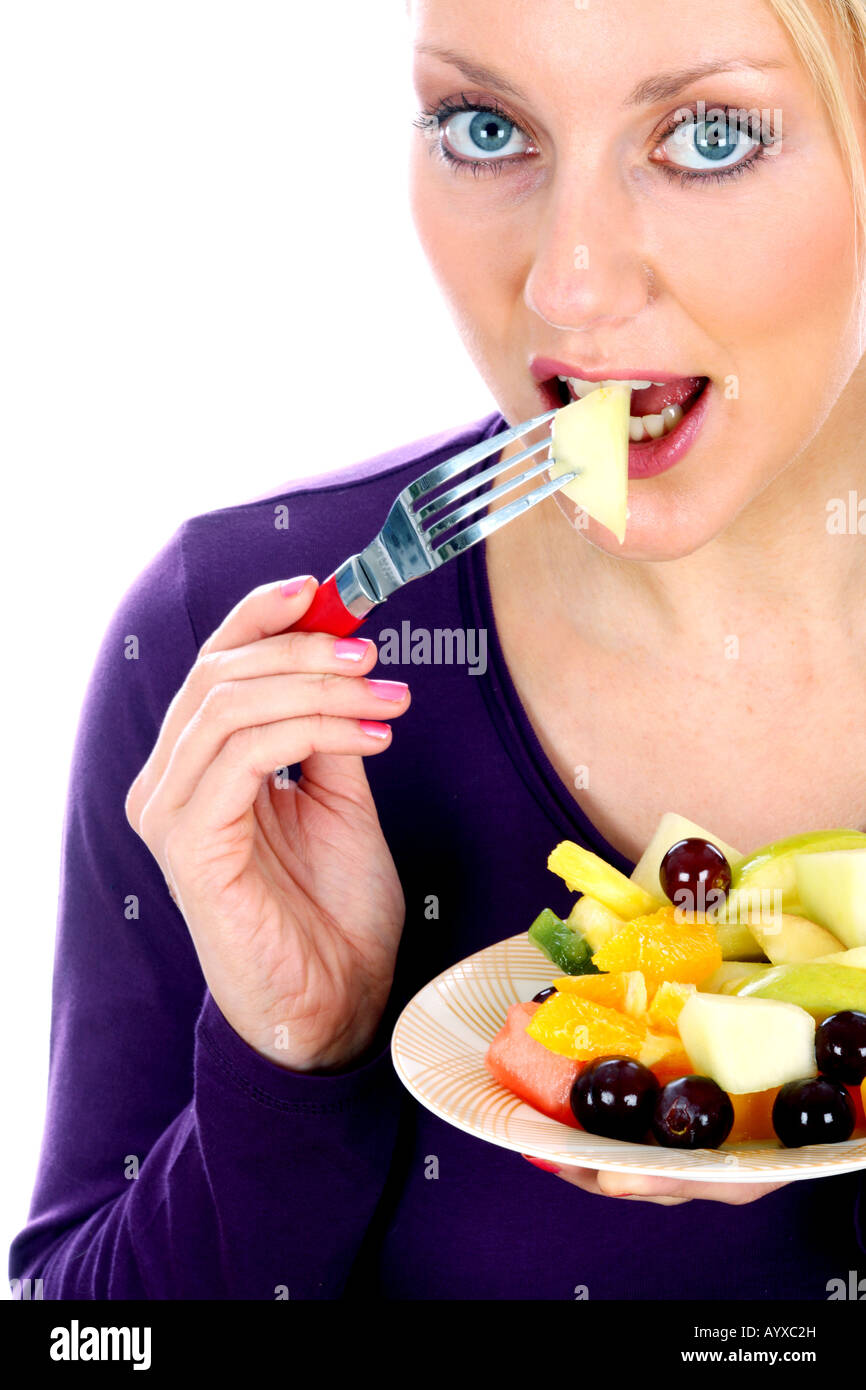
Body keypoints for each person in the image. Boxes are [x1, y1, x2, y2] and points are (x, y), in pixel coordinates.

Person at [10, 0, 866, 1299]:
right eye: (486, 126)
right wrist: (291, 1059)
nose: (566, 283)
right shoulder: (228, 642)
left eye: (705, 134)